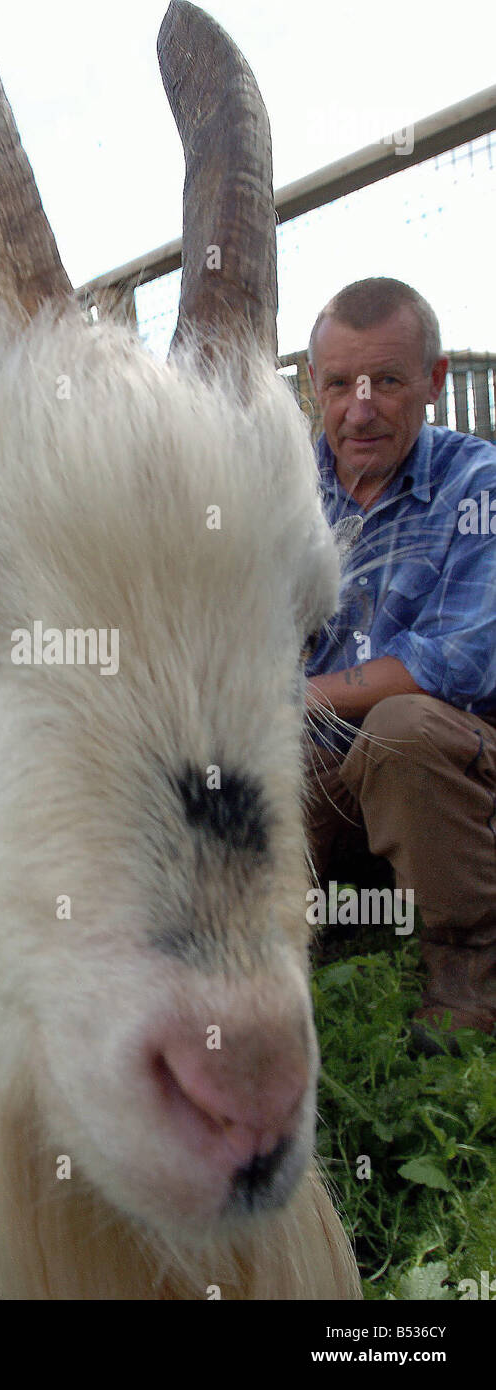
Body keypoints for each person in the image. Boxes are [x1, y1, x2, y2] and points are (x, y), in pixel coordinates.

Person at [304, 276, 496, 1044]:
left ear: (433, 381)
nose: (360, 408)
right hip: (333, 768)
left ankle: (468, 975)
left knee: (402, 729)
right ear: (312, 388)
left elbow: (463, 660)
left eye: (386, 380)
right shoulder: (287, 494)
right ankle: (266, 943)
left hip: (450, 763)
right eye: (339, 384)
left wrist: (301, 694)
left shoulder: (475, 483)